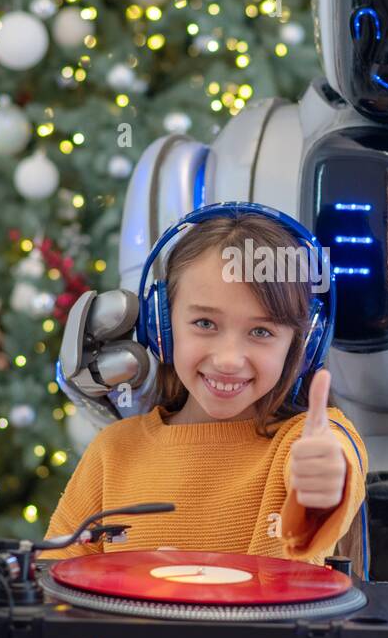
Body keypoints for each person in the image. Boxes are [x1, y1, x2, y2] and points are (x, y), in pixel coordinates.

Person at [38, 209, 367, 571]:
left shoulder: (311, 441)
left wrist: (322, 485)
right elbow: (54, 585)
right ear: (160, 324)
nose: (228, 359)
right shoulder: (113, 451)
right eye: (205, 323)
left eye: (261, 332)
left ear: (301, 346)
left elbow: (331, 473)